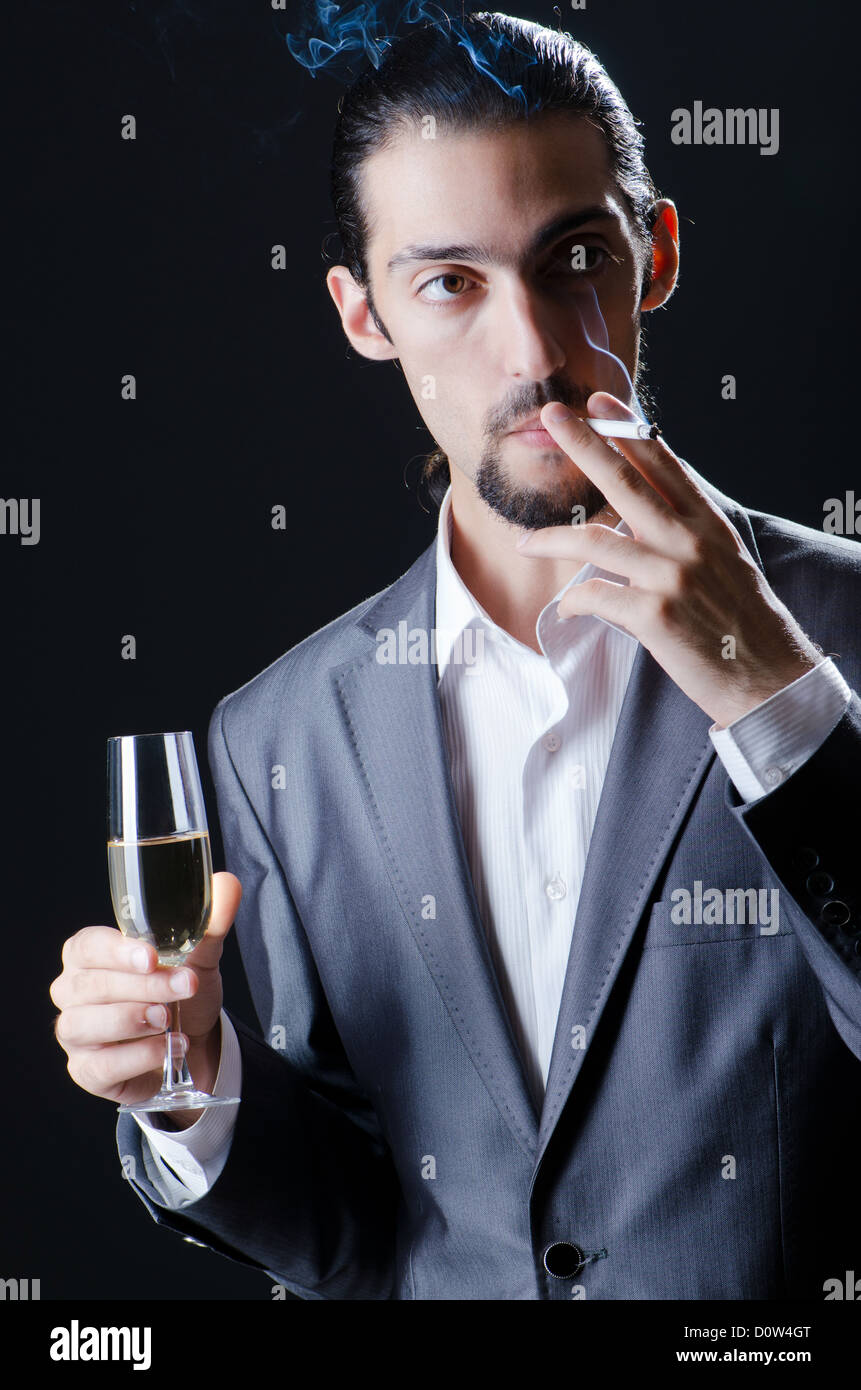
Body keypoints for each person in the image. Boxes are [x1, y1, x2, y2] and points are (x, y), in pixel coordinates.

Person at [50, 13, 860, 1300]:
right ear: (364, 313)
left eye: (574, 257)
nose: (533, 355)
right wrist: (190, 1095)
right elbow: (363, 1232)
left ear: (654, 255)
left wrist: (777, 694)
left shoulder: (846, 626)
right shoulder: (278, 741)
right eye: (451, 282)